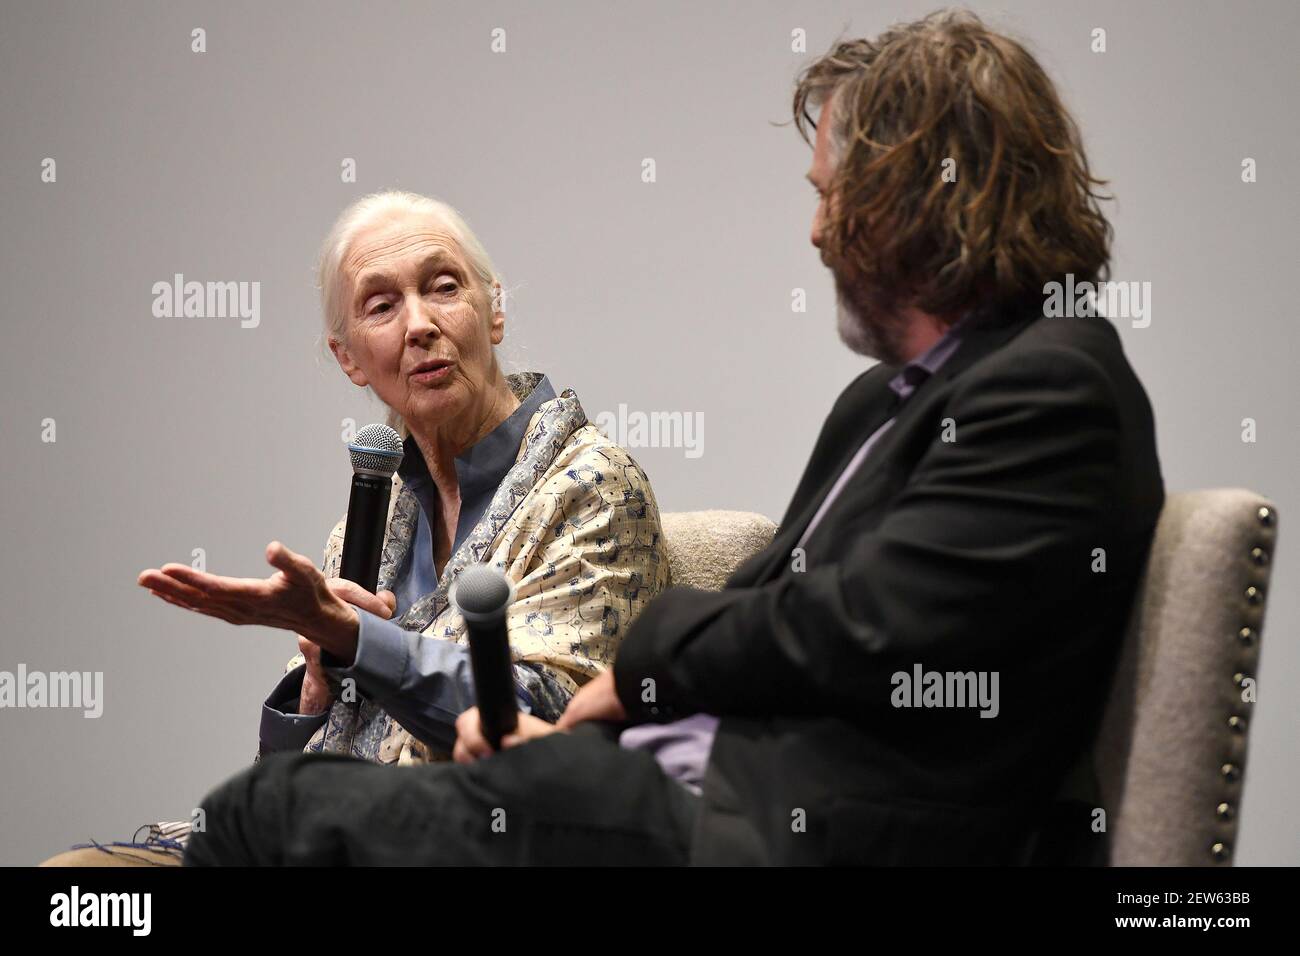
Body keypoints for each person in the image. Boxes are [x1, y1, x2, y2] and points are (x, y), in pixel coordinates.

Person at [185, 10, 1165, 867]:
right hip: (681, 793)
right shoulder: (884, 401)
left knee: (257, 815)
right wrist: (563, 746)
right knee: (235, 825)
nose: (816, 232)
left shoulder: (1050, 389)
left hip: (784, 835)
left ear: (910, 200)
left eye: (830, 194)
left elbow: (865, 624)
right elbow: (788, 609)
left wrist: (646, 654)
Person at [40, 192, 668, 866]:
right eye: (382, 305)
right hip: (329, 837)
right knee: (76, 889)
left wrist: (358, 637)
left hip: (473, 846)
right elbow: (281, 770)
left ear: (495, 309)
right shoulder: (369, 523)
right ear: (349, 359)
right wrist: (317, 681)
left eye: (443, 286)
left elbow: (545, 727)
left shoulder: (593, 486)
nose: (420, 324)